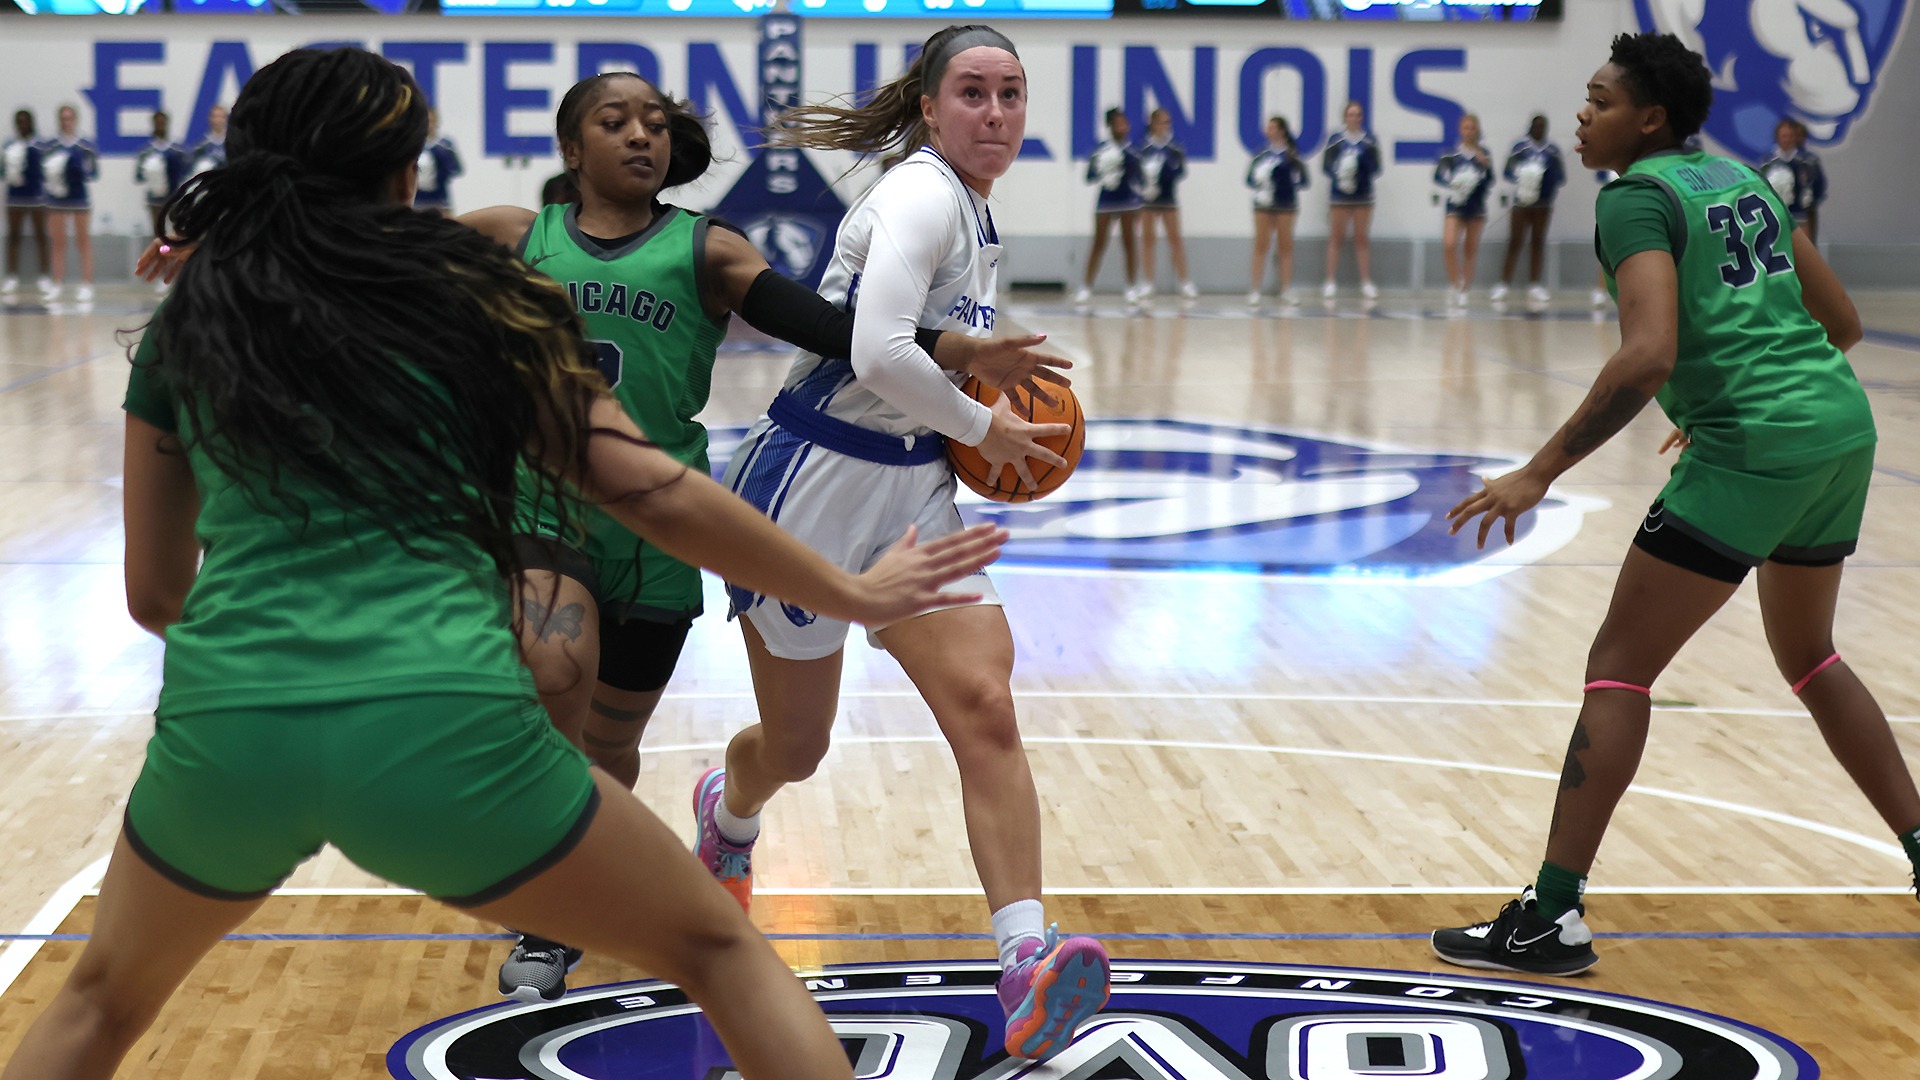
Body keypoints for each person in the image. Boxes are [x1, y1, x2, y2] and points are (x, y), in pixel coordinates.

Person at [8, 46, 1005, 1080]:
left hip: (229, 728)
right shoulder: (485, 299)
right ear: (405, 175)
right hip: (438, 721)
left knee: (98, 1001)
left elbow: (155, 593)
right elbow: (650, 488)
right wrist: (841, 587)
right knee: (718, 949)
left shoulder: (192, 320)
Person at [454, 70, 1065, 1002]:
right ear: (571, 147)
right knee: (574, 691)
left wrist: (955, 355)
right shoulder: (512, 236)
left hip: (676, 512)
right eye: (614, 123)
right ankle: (556, 908)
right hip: (627, 501)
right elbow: (377, 260)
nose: (640, 137)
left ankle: (1027, 958)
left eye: (655, 123)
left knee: (963, 708)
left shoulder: (708, 249)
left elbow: (822, 324)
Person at [1431, 31, 1920, 977]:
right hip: (1837, 429)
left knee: (1618, 667)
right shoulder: (1741, 180)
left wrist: (1541, 468)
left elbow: (1647, 351)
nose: (1583, 113)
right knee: (1810, 655)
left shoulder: (1635, 200)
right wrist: (1733, 394)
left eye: (1601, 99)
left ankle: (1553, 917)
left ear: (1648, 118)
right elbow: (1843, 323)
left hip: (1755, 444)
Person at [717, 24, 1113, 1062]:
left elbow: (927, 365)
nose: (995, 114)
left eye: (1012, 95)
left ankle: (1025, 962)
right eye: (974, 94)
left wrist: (974, 420)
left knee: (985, 704)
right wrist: (990, 428)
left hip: (911, 491)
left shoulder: (976, 211)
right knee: (794, 749)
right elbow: (879, 349)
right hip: (811, 485)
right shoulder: (920, 195)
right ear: (931, 108)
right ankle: (733, 806)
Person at [1492, 115, 1566, 307]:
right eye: (1536, 126)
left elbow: (1560, 176)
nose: (1539, 129)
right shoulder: (1520, 148)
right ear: (1531, 127)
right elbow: (1507, 171)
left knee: (1537, 241)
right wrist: (1523, 177)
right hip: (1521, 203)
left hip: (1543, 203)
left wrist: (1545, 181)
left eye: (1543, 126)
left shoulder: (1553, 151)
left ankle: (1534, 284)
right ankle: (1503, 283)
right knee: (1515, 241)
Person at [1074, 106, 1142, 308]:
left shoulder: (1132, 151)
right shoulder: (1100, 150)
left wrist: (1124, 167)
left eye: (1125, 122)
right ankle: (1086, 287)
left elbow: (1138, 176)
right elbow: (1089, 176)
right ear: (1110, 126)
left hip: (1128, 201)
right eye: (1119, 123)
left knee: (1129, 243)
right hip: (1106, 201)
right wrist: (1103, 173)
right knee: (1098, 243)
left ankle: (1131, 287)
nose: (1124, 127)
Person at [1135, 108, 1197, 301]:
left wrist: (1168, 171)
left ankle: (1184, 281)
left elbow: (1181, 172)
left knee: (1175, 240)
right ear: (1153, 124)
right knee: (1148, 240)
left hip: (1168, 200)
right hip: (1148, 201)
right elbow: (1136, 173)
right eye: (1163, 122)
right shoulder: (1144, 148)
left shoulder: (1174, 148)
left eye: (1168, 122)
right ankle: (1148, 282)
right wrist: (1144, 187)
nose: (1166, 126)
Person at [1322, 100, 1381, 300]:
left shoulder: (1369, 141)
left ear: (1362, 118)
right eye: (1350, 114)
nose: (1354, 118)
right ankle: (1330, 281)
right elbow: (1326, 166)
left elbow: (1376, 168)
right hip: (1339, 196)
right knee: (1336, 237)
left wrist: (1361, 168)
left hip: (1362, 196)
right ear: (1345, 117)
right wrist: (1340, 173)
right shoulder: (1336, 140)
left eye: (1357, 115)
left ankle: (1366, 281)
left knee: (1361, 238)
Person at [1247, 115, 1309, 308]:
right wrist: (1261, 182)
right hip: (1264, 206)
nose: (1269, 130)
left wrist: (1287, 183)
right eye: (1268, 127)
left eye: (1273, 127)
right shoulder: (1260, 155)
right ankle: (1255, 289)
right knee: (1261, 245)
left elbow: (1304, 180)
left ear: (1281, 130)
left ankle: (1286, 289)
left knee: (1285, 246)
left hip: (1286, 205)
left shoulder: (1292, 155)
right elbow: (1249, 179)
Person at [1433, 113, 1493, 309]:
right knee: (1449, 244)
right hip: (1456, 205)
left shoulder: (1483, 153)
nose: (1468, 132)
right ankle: (1455, 282)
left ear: (1477, 131)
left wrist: (1485, 165)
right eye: (1465, 128)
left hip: (1476, 207)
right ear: (1460, 130)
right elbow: (1438, 176)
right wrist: (1453, 181)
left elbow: (1490, 180)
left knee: (1470, 249)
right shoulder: (1451, 154)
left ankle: (1464, 289)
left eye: (1472, 128)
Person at [40, 104, 98, 304]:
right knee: (58, 242)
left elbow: (94, 172)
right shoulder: (51, 146)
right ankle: (57, 283)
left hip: (79, 198)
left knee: (83, 241)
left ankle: (87, 284)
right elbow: (43, 173)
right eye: (63, 118)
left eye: (70, 118)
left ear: (75, 120)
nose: (67, 122)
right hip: (57, 199)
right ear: (59, 121)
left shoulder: (85, 146)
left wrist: (78, 171)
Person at [2, 108, 50, 298]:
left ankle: (45, 275)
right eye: (19, 121)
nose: (23, 125)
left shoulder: (39, 145)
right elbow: (2, 171)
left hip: (36, 196)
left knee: (41, 235)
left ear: (31, 123)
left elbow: (46, 170)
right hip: (15, 196)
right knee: (14, 235)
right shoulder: (9, 145)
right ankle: (12, 275)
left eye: (25, 121)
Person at [1759, 117, 1826, 243]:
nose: (1787, 140)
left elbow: (1819, 187)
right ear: (1777, 137)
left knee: (1802, 255)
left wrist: (1809, 203)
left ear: (1796, 138)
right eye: (1784, 136)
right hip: (1774, 219)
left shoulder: (1808, 162)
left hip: (1799, 218)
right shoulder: (1767, 163)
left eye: (1790, 136)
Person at [133, 111, 188, 247]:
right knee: (158, 233)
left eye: (163, 123)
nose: (160, 126)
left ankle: (176, 262)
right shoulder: (146, 152)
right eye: (158, 123)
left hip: (174, 197)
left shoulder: (177, 151)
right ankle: (161, 259)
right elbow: (138, 176)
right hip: (155, 198)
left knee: (177, 231)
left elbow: (185, 172)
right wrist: (151, 174)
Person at [413, 109, 464, 215]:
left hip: (440, 201)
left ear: (437, 122)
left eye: (431, 121)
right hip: (417, 201)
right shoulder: (414, 145)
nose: (429, 125)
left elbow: (456, 169)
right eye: (426, 121)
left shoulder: (444, 145)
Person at [187, 104, 228, 178]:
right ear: (210, 119)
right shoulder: (202, 145)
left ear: (226, 119)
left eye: (221, 117)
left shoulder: (232, 143)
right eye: (215, 117)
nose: (218, 120)